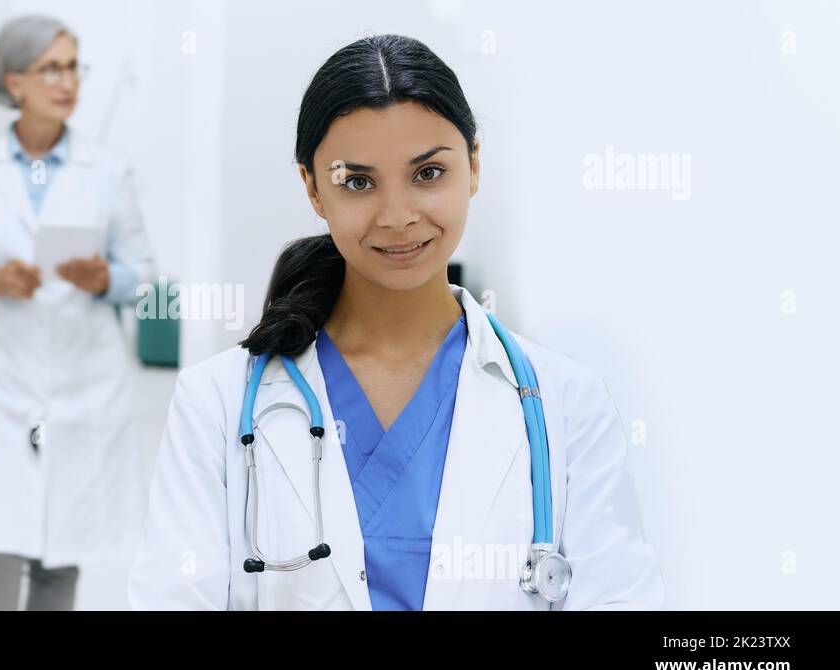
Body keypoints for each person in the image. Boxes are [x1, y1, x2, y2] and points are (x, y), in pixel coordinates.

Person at [128, 34, 664, 610]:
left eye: (428, 173)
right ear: (313, 187)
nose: (398, 215)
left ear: (474, 166)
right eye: (357, 182)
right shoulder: (216, 401)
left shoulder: (566, 404)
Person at [0, 15, 156, 611]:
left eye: (73, 66)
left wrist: (107, 279)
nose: (66, 80)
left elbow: (144, 274)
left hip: (83, 378)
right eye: (51, 67)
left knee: (62, 538)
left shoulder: (107, 170)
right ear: (13, 81)